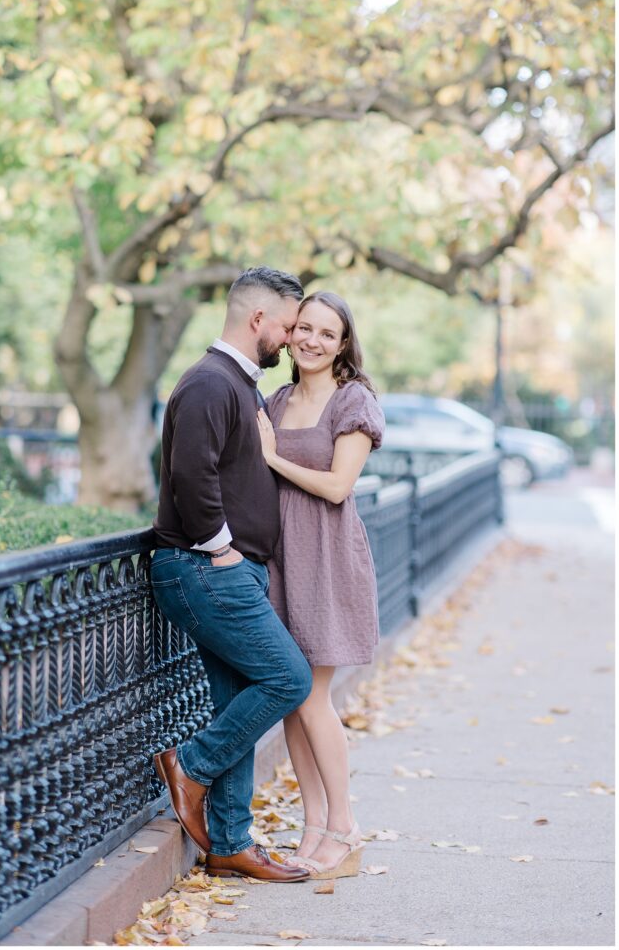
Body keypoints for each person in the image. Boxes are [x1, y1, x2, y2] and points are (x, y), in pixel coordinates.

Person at [150, 266, 313, 883]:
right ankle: (190, 764)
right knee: (287, 678)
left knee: (236, 697)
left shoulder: (239, 386)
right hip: (204, 569)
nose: (292, 339)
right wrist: (222, 549)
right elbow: (192, 478)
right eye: (289, 325)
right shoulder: (209, 384)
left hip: (222, 571)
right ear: (257, 321)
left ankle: (229, 843)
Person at [256, 291, 385, 880]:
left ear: (342, 344)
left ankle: (346, 825)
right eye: (303, 328)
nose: (310, 340)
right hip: (281, 558)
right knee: (291, 698)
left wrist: (271, 458)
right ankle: (314, 825)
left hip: (327, 559)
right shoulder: (277, 400)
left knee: (312, 695)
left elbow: (338, 487)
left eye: (325, 333)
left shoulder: (353, 400)